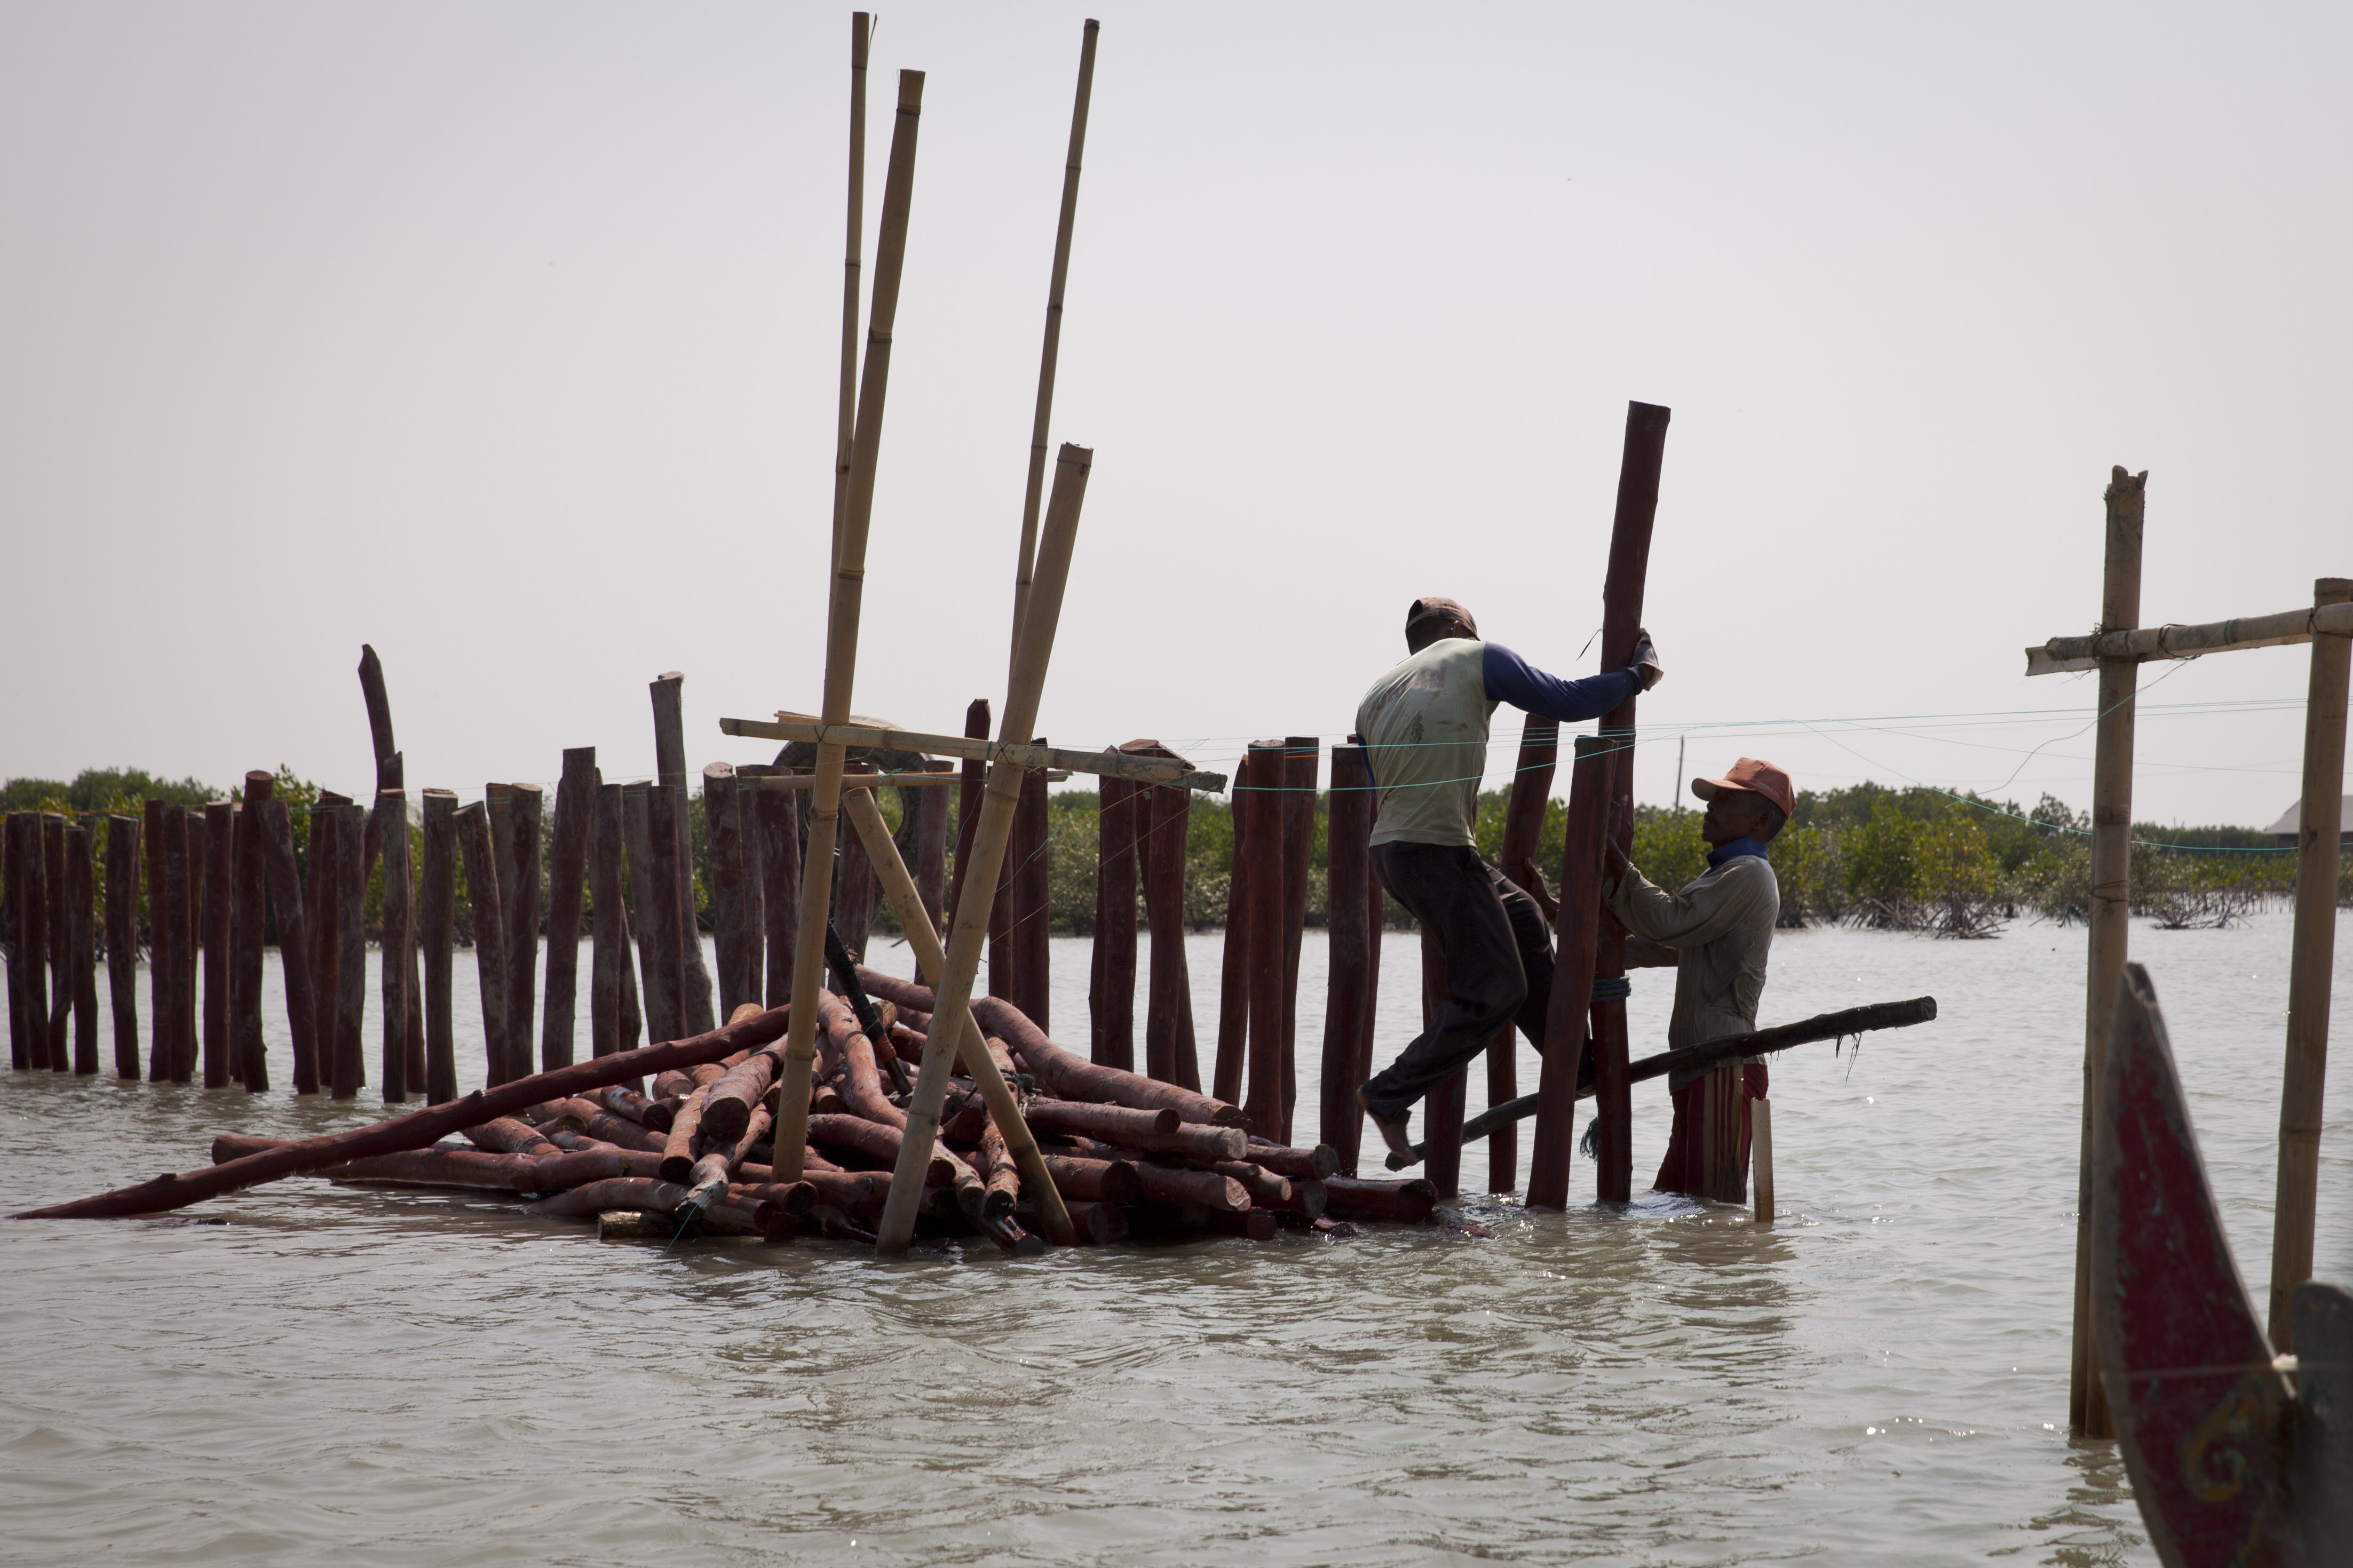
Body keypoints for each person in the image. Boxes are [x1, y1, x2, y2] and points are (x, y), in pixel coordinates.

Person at [1354, 595, 1662, 1157]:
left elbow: (1383, 785)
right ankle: (1389, 1093)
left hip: (1398, 851)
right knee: (1496, 988)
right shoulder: (1478, 657)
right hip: (1433, 849)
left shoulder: (1376, 693)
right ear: (1456, 629)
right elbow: (1566, 700)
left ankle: (1575, 1064)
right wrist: (1635, 675)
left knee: (1521, 916)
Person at [1603, 756, 1793, 1200]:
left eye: (1726, 800)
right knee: (1681, 1207)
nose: (1711, 808)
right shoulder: (1726, 872)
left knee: (1712, 1214)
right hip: (1698, 1066)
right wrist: (1561, 917)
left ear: (1762, 819)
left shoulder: (1746, 873)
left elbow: (1670, 921)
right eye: (1715, 799)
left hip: (1724, 1067)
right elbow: (1675, 945)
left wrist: (1615, 862)